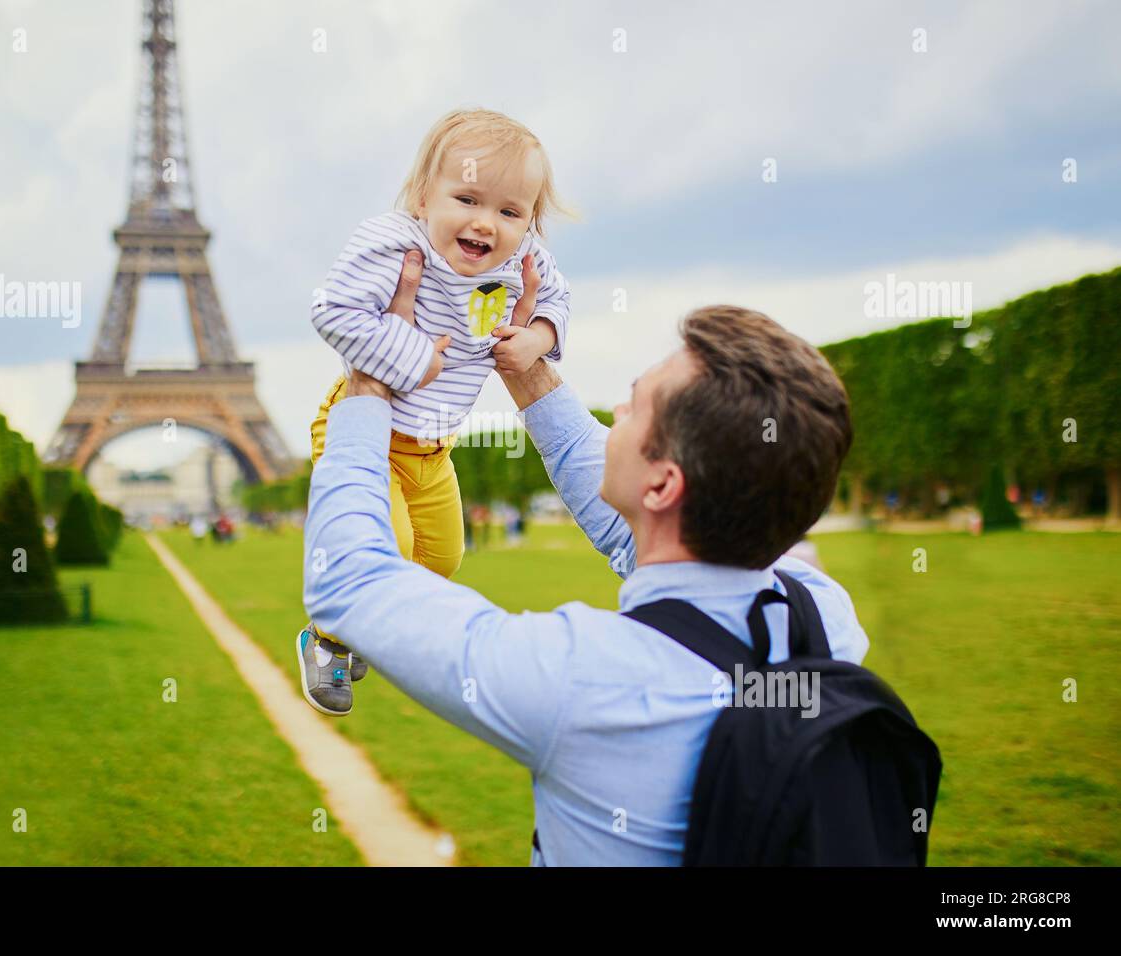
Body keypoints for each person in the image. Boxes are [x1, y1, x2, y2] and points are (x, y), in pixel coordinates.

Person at [302, 257, 869, 865]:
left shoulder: (575, 679)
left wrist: (368, 377)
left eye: (633, 407)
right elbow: (642, 535)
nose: (615, 418)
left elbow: (352, 581)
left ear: (661, 486)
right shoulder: (825, 614)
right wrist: (524, 366)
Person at [297, 108, 572, 717]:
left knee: (443, 559)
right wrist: (408, 354)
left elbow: (554, 299)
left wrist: (540, 338)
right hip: (364, 427)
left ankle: (361, 622)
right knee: (383, 543)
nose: (485, 224)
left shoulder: (524, 261)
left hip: (434, 446)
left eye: (509, 211)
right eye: (467, 198)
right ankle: (327, 640)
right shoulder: (394, 241)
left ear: (529, 222)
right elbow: (333, 309)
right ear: (423, 197)